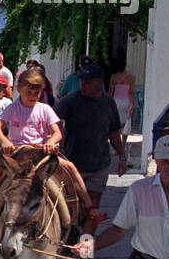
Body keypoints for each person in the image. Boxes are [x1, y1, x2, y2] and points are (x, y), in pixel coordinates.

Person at [0, 66, 110, 232]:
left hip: (40, 153)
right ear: (19, 89)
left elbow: (57, 132)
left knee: (70, 167)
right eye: (28, 92)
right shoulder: (12, 108)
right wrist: (5, 141)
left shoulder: (45, 109)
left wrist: (50, 141)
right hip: (16, 153)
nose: (32, 96)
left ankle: (89, 208)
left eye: (36, 93)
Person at [55, 64, 128, 237]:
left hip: (99, 164)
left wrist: (122, 157)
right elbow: (52, 118)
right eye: (82, 81)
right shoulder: (71, 100)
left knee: (93, 206)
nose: (83, 85)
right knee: (68, 205)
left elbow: (114, 132)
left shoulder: (108, 103)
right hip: (73, 163)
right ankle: (69, 236)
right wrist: (59, 137)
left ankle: (85, 248)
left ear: (99, 83)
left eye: (88, 82)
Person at [109, 56, 137, 137]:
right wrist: (133, 105)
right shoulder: (131, 78)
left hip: (116, 101)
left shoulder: (114, 77)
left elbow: (110, 91)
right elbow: (131, 92)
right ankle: (123, 144)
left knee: (116, 123)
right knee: (126, 123)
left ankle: (116, 145)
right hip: (127, 101)